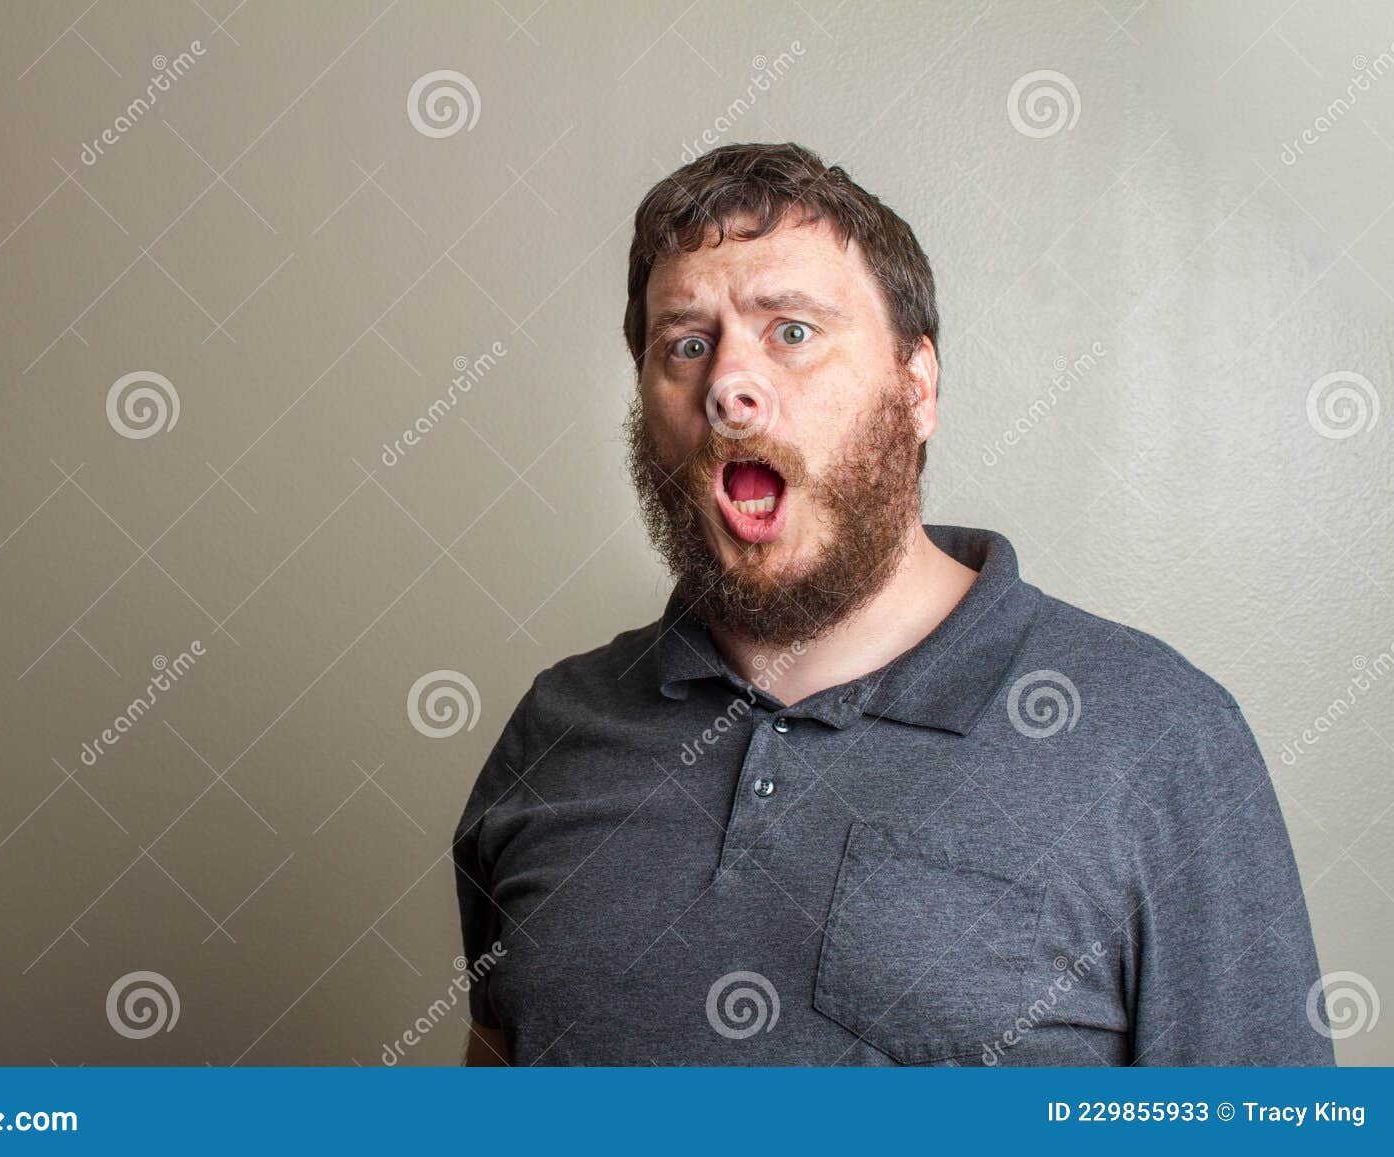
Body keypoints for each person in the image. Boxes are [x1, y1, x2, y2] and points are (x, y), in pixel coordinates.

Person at [451, 142, 1333, 1066]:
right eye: (687, 344)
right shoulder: (555, 730)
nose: (728, 388)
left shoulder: (1158, 737)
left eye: (791, 331)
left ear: (918, 386)